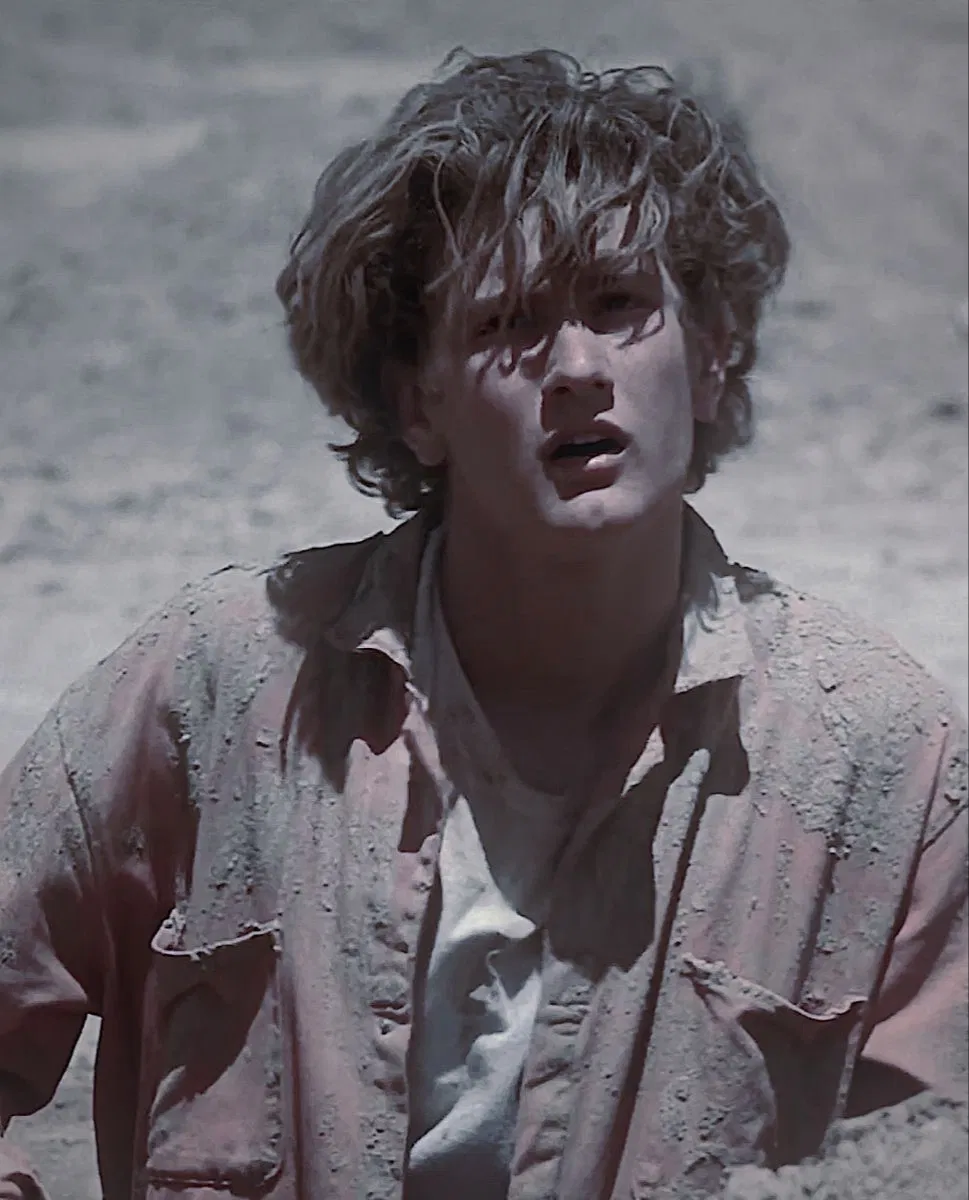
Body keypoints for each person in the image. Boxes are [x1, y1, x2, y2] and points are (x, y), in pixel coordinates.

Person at [0, 47, 965, 1200]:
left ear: (712, 356)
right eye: (509, 321)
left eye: (620, 305)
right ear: (418, 403)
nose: (577, 368)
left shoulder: (882, 766)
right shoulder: (228, 689)